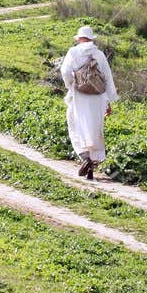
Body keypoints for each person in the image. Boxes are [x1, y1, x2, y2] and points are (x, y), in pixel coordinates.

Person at [59, 25, 117, 179]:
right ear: (91, 39)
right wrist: (108, 101)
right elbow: (107, 79)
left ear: (79, 39)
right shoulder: (99, 54)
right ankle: (92, 166)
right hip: (97, 98)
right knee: (94, 130)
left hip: (79, 97)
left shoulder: (73, 52)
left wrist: (72, 84)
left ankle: (85, 159)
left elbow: (65, 71)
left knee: (76, 126)